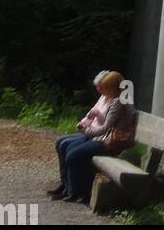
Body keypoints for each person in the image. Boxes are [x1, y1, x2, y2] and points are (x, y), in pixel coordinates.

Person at [48, 70, 135, 204]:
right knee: (69, 150)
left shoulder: (118, 102)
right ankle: (70, 189)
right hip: (102, 138)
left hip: (109, 142)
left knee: (73, 155)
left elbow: (105, 128)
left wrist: (87, 131)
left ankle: (80, 192)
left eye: (106, 87)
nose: (102, 90)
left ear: (112, 88)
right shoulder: (118, 98)